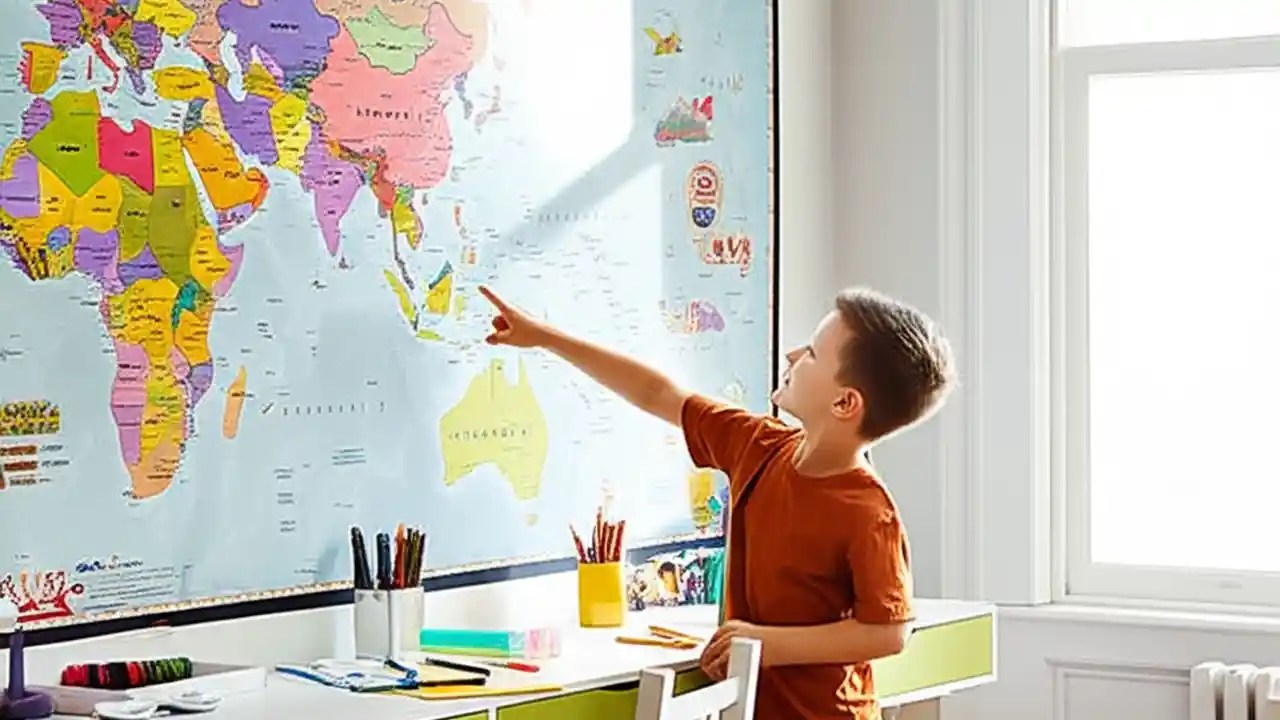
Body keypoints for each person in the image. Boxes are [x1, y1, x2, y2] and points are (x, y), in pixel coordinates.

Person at [478, 285, 955, 719]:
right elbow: (658, 393)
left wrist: (770, 646)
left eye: (811, 353)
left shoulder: (868, 511)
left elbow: (889, 631)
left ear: (845, 404)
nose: (792, 354)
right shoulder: (758, 445)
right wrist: (545, 338)